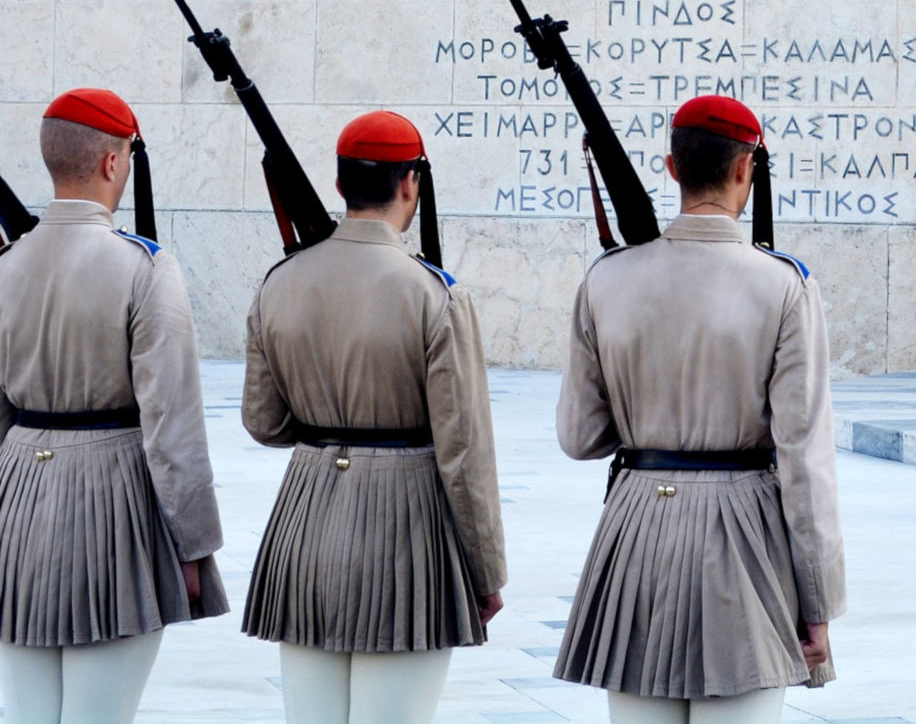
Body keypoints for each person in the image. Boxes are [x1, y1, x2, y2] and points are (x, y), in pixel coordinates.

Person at [555, 94, 844, 722]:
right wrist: (819, 602)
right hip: (743, 534)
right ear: (746, 170)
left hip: (634, 526)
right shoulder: (784, 285)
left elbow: (580, 437)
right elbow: (804, 461)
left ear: (670, 166)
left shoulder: (606, 278)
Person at [241, 111, 505, 722]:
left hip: (304, 522)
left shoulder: (280, 281)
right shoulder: (434, 294)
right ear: (411, 183)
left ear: (340, 187)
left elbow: (264, 423)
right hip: (405, 529)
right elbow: (463, 452)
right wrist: (485, 568)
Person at [0, 89, 227, 724]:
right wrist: (194, 548)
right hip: (112, 497)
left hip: (15, 499)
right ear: (111, 163)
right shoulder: (145, 269)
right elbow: (172, 425)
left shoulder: (5, 265)